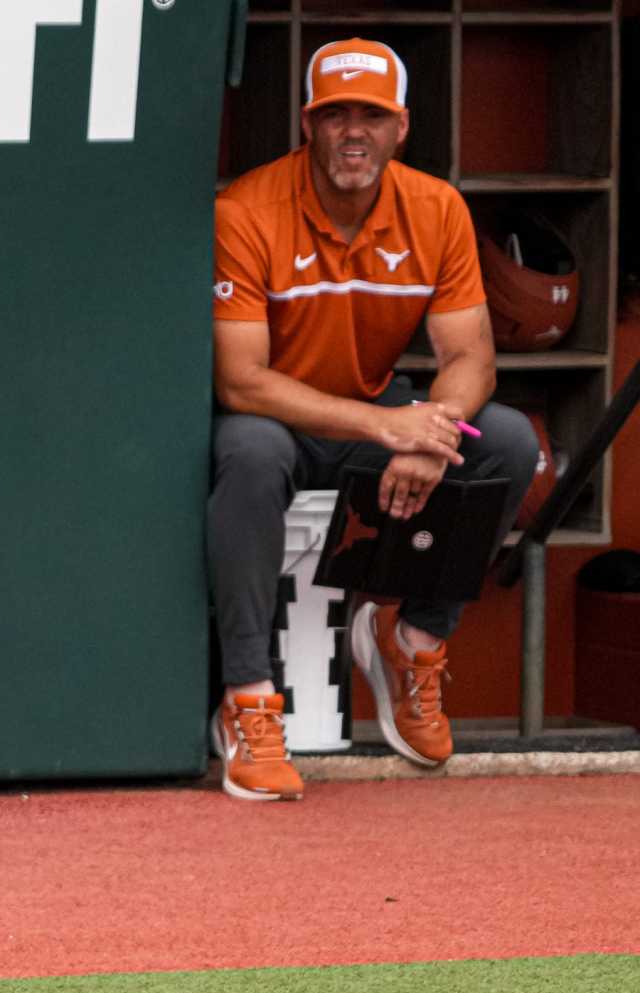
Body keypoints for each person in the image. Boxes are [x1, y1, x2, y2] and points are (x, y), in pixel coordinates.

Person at [209, 39, 538, 800]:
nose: (352, 132)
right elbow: (241, 382)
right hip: (283, 416)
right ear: (307, 124)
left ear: (401, 127)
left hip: (372, 413)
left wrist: (435, 429)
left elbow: (473, 358)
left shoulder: (436, 208)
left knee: (509, 443)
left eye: (371, 115)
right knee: (248, 454)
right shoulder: (246, 210)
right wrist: (387, 428)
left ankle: (412, 637)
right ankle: (248, 699)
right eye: (335, 115)